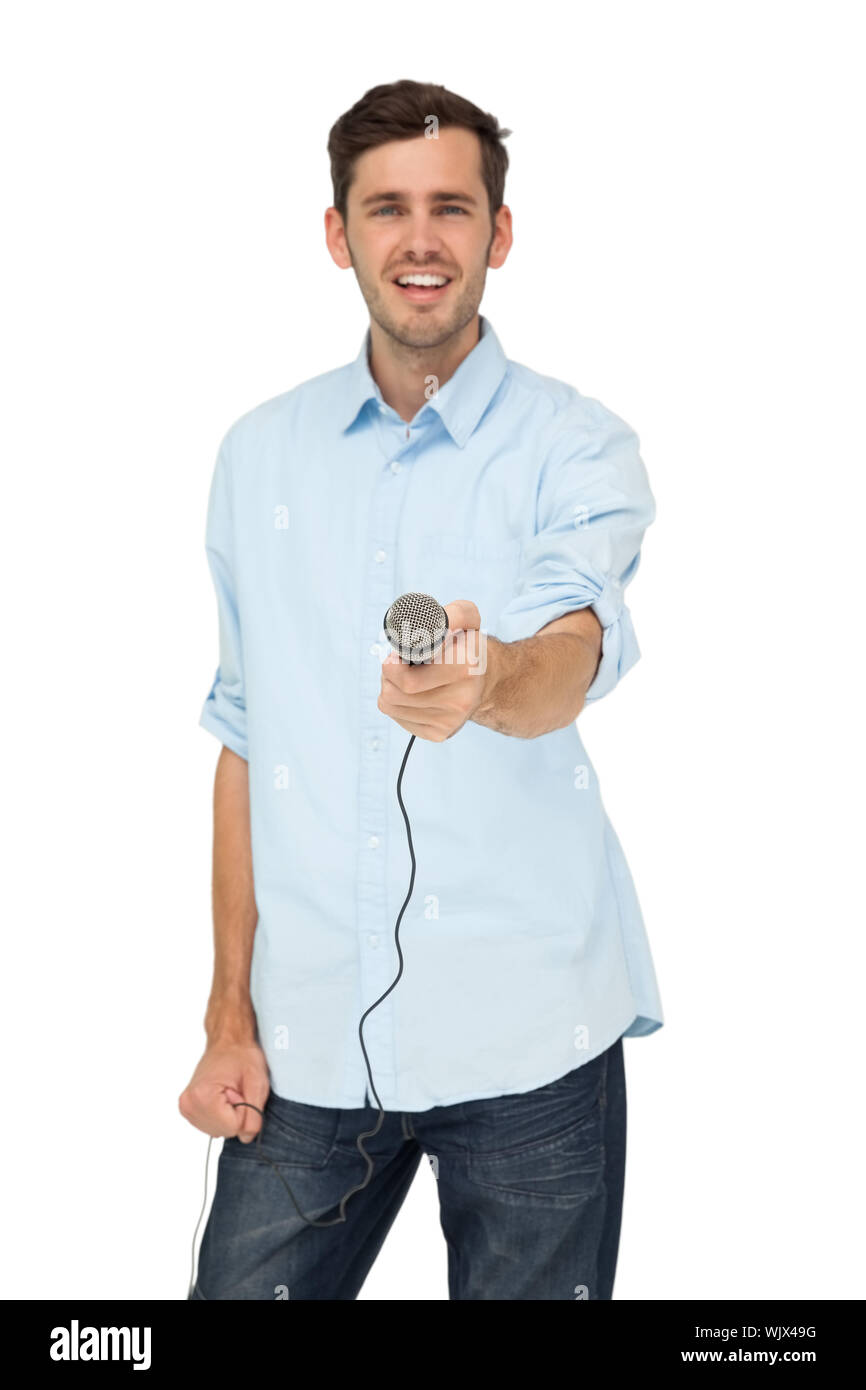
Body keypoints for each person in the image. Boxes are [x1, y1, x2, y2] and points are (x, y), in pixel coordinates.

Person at [179, 78, 663, 1301]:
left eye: (451, 208)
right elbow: (245, 737)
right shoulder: (256, 455)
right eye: (386, 208)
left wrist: (489, 678)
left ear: (497, 235)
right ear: (338, 235)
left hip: (530, 1043)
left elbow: (570, 650)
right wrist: (227, 1012)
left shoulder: (578, 446)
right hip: (304, 1049)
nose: (420, 239)